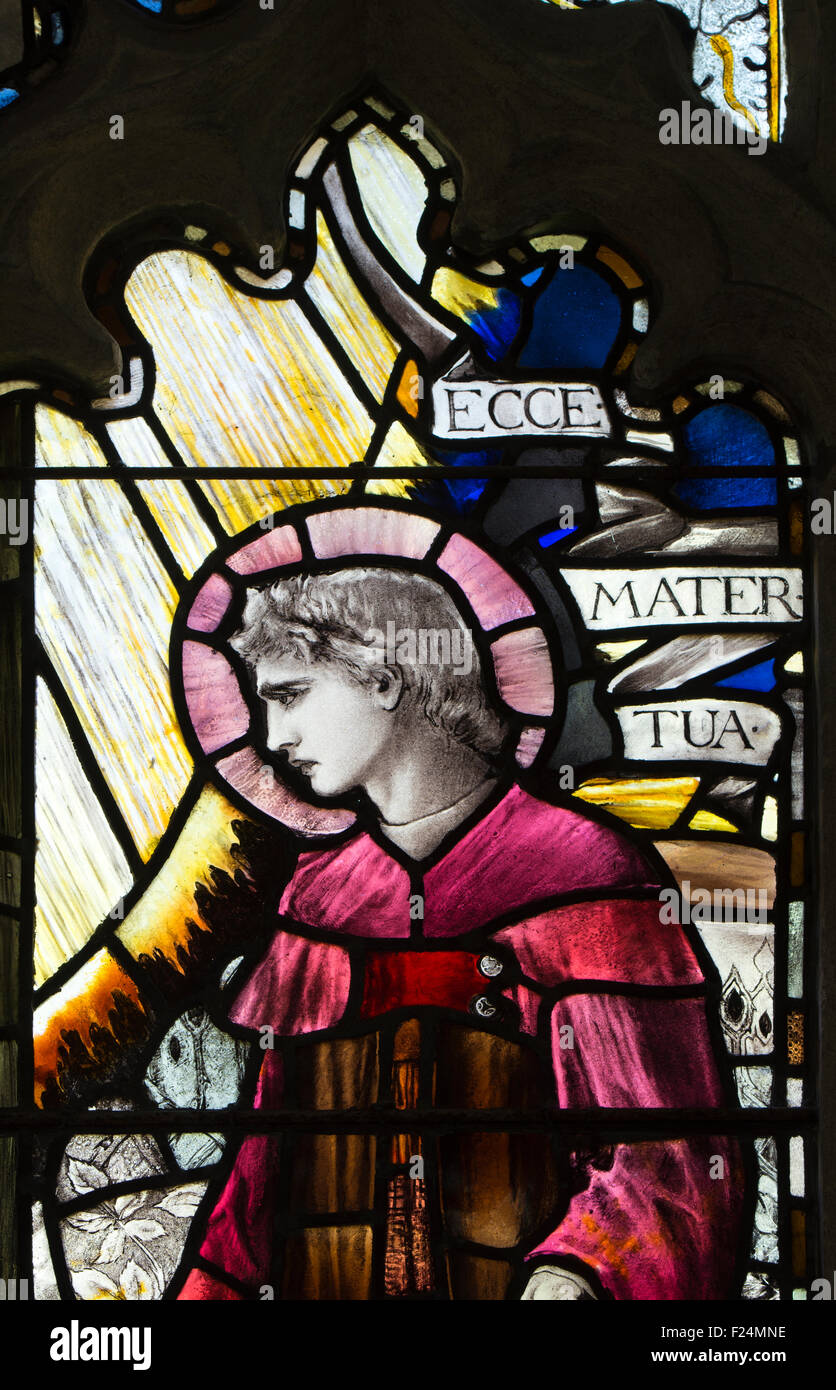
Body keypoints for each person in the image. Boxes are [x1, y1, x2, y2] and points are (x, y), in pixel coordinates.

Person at [176, 564, 744, 1301]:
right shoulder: (321, 899)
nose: (274, 736)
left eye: (291, 696)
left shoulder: (582, 871)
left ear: (385, 680)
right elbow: (257, 1188)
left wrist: (578, 1271)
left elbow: (667, 1158)